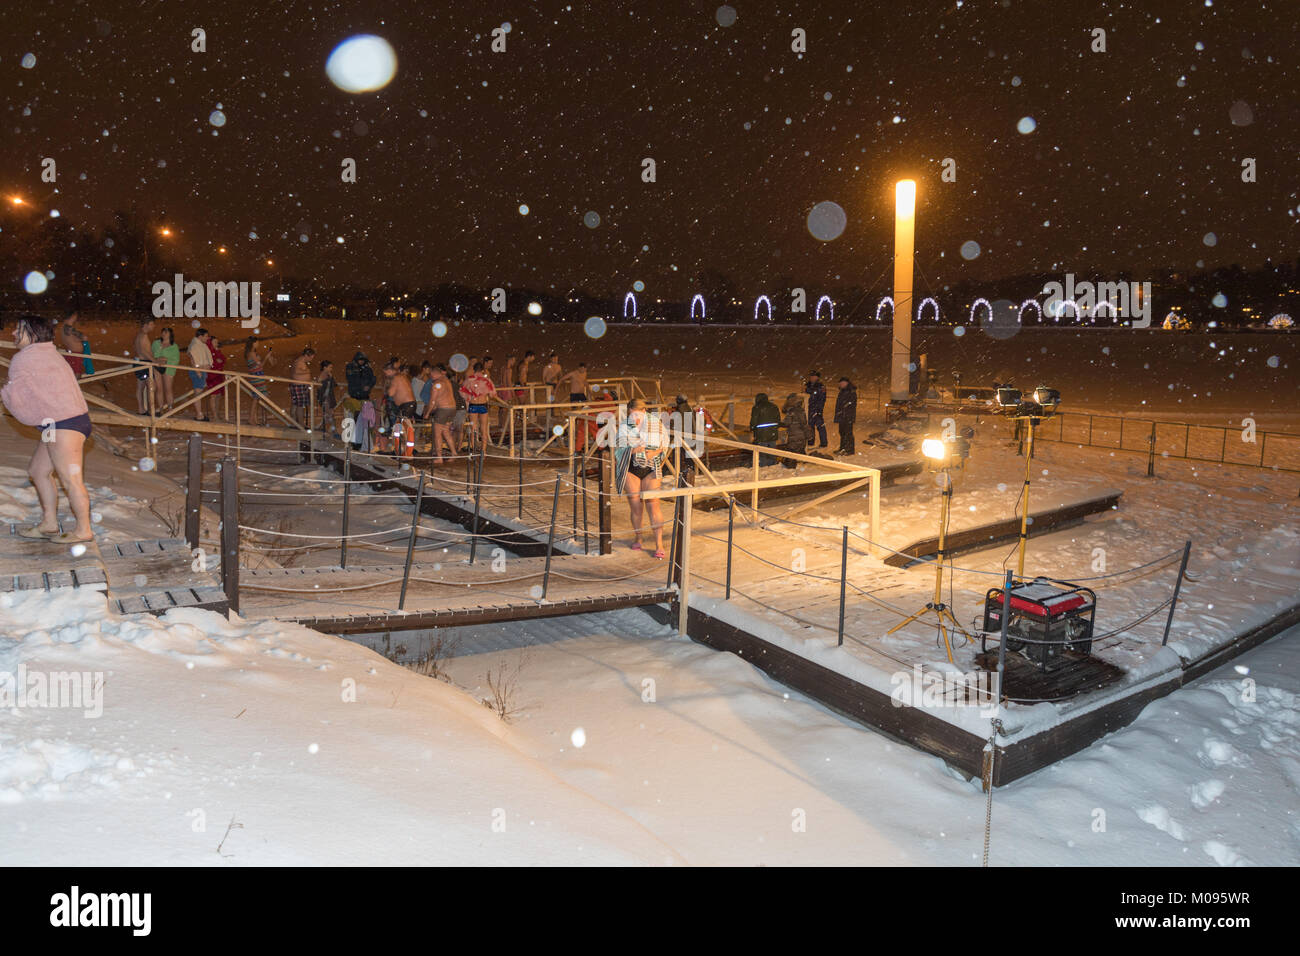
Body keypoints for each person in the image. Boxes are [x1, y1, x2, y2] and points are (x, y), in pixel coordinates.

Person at [1, 314, 94, 543]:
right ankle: (50, 524)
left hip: (64, 424)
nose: (13, 333)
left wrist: (5, 393)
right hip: (65, 422)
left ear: (33, 333)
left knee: (71, 480)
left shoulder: (24, 359)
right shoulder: (48, 353)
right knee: (38, 471)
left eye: (19, 329)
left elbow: (19, 403)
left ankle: (84, 530)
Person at [614, 398, 667, 558]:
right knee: (636, 505)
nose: (634, 419)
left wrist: (655, 453)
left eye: (637, 415)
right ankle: (639, 537)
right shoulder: (624, 426)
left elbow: (665, 445)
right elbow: (618, 449)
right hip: (631, 468)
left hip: (651, 467)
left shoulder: (657, 424)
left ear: (644, 411)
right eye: (631, 416)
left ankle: (659, 544)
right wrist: (631, 451)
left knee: (653, 505)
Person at [425, 364, 458, 464]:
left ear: (435, 373)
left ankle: (439, 457)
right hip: (452, 409)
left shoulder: (437, 384)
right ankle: (454, 453)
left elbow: (432, 401)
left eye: (431, 375)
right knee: (446, 432)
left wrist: (427, 413)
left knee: (437, 434)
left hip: (443, 410)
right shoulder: (447, 381)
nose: (430, 377)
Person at [383, 359, 417, 457]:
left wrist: (387, 386)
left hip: (406, 405)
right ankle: (401, 450)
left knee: (404, 430)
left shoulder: (395, 378)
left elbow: (390, 393)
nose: (385, 375)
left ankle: (406, 452)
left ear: (390, 371)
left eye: (385, 373)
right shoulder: (402, 376)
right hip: (409, 404)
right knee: (400, 428)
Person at [460, 360, 496, 450]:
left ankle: (474, 449)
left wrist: (470, 396)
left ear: (474, 369)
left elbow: (462, 392)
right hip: (483, 405)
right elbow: (492, 394)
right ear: (483, 370)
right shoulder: (487, 380)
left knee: (473, 429)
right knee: (484, 429)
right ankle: (484, 451)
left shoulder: (469, 379)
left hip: (473, 405)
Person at [151, 326, 181, 411]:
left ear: (170, 334)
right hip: (156, 366)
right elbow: (152, 354)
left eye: (166, 333)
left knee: (168, 389)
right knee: (159, 388)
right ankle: (160, 408)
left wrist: (166, 359)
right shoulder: (156, 343)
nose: (164, 334)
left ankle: (170, 409)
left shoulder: (174, 346)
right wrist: (159, 358)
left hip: (168, 368)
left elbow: (176, 359)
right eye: (163, 332)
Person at [133, 316, 159, 414]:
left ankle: (143, 409)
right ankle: (150, 409)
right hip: (143, 364)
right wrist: (154, 361)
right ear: (146, 325)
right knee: (151, 386)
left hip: (141, 363)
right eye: (152, 324)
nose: (153, 326)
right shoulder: (142, 335)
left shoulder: (141, 335)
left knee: (142, 386)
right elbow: (143, 351)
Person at [244, 337, 272, 425]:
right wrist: (266, 357)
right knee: (256, 398)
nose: (258, 344)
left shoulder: (251, 353)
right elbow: (259, 365)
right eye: (257, 342)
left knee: (256, 398)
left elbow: (259, 365)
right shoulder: (251, 353)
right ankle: (251, 419)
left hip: (256, 375)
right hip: (256, 377)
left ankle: (254, 419)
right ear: (253, 343)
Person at [187, 328, 213, 421]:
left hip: (201, 371)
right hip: (198, 372)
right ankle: (199, 414)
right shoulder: (195, 345)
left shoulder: (201, 345)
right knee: (198, 393)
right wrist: (198, 371)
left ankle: (199, 413)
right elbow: (193, 358)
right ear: (200, 336)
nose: (207, 338)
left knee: (199, 393)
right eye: (206, 336)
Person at [749, 391, 781, 465]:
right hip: (773, 432)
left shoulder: (757, 407)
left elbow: (754, 420)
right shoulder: (774, 406)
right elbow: (778, 420)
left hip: (761, 433)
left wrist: (752, 428)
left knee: (762, 451)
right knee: (772, 450)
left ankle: (763, 465)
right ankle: (772, 463)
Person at [780, 393, 811, 468]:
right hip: (802, 435)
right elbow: (804, 423)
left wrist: (779, 423)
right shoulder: (801, 410)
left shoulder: (791, 411)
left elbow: (786, 423)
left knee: (791, 452)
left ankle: (791, 468)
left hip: (794, 435)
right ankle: (805, 466)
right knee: (800, 450)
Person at [289, 347, 316, 427]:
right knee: (300, 405)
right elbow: (296, 371)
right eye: (311, 357)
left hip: (300, 386)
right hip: (298, 386)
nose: (311, 360)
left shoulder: (301, 361)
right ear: (306, 355)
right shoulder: (299, 361)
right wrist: (307, 371)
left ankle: (294, 422)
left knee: (296, 404)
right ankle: (301, 424)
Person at [58, 309, 87, 379]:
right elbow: (84, 337)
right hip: (74, 355)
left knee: (71, 374)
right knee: (76, 375)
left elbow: (72, 338)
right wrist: (81, 338)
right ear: (73, 316)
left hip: (71, 353)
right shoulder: (68, 327)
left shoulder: (64, 326)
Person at [833, 376, 857, 455]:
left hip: (848, 416)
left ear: (847, 383)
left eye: (843, 383)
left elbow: (851, 404)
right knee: (842, 432)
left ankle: (849, 450)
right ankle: (843, 448)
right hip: (842, 416)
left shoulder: (851, 392)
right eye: (840, 383)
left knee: (848, 433)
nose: (841, 384)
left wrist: (844, 412)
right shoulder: (842, 391)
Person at [805, 370, 828, 449]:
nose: (812, 378)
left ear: (817, 377)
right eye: (811, 376)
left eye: (814, 376)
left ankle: (823, 443)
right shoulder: (808, 385)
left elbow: (822, 399)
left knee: (820, 426)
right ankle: (810, 442)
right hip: (809, 409)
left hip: (817, 409)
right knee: (810, 426)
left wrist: (819, 409)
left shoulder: (821, 387)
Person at [206, 336, 228, 419]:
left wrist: (219, 360)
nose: (216, 343)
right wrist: (217, 361)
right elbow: (213, 362)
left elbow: (223, 360)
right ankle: (214, 415)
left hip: (219, 375)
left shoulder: (217, 351)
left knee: (218, 396)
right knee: (213, 395)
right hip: (212, 376)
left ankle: (217, 414)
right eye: (215, 342)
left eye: (217, 342)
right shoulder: (209, 351)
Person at [317, 359, 338, 437]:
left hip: (329, 397)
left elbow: (334, 384)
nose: (331, 369)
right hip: (326, 398)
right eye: (330, 367)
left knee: (329, 415)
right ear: (325, 367)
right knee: (330, 414)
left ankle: (322, 428)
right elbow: (320, 388)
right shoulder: (322, 376)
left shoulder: (328, 375)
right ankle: (334, 431)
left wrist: (331, 377)